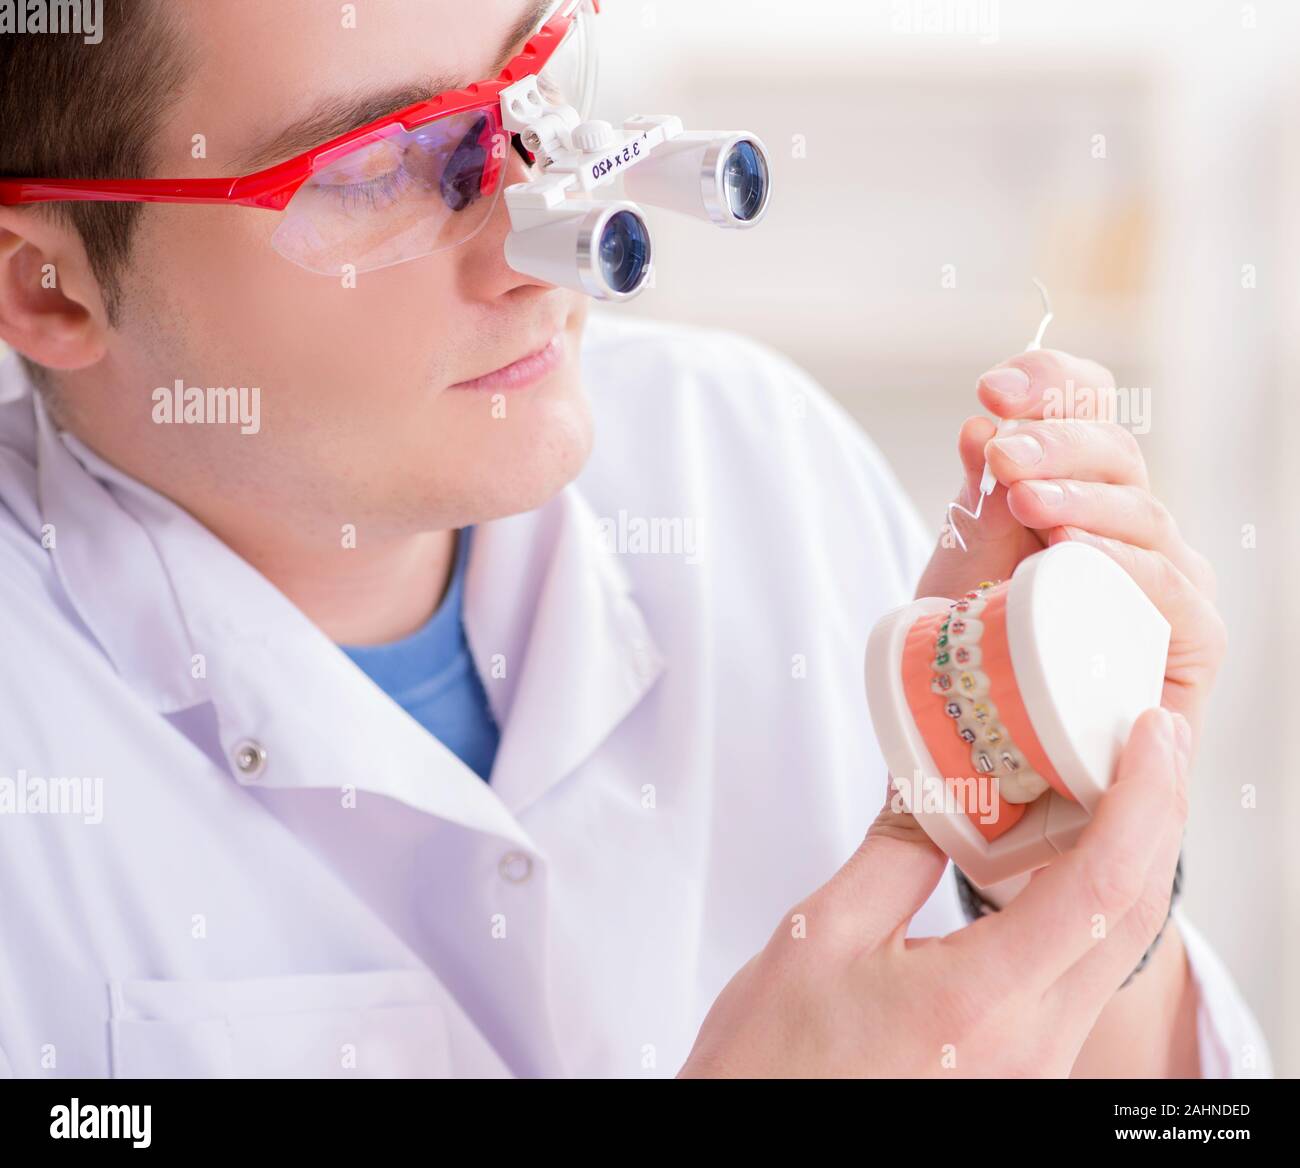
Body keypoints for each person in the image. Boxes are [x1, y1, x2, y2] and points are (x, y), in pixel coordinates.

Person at [0, 0, 1268, 1078]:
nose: (538, 240)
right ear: (48, 284)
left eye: (529, 92)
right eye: (374, 166)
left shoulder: (752, 454)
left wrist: (1076, 889)